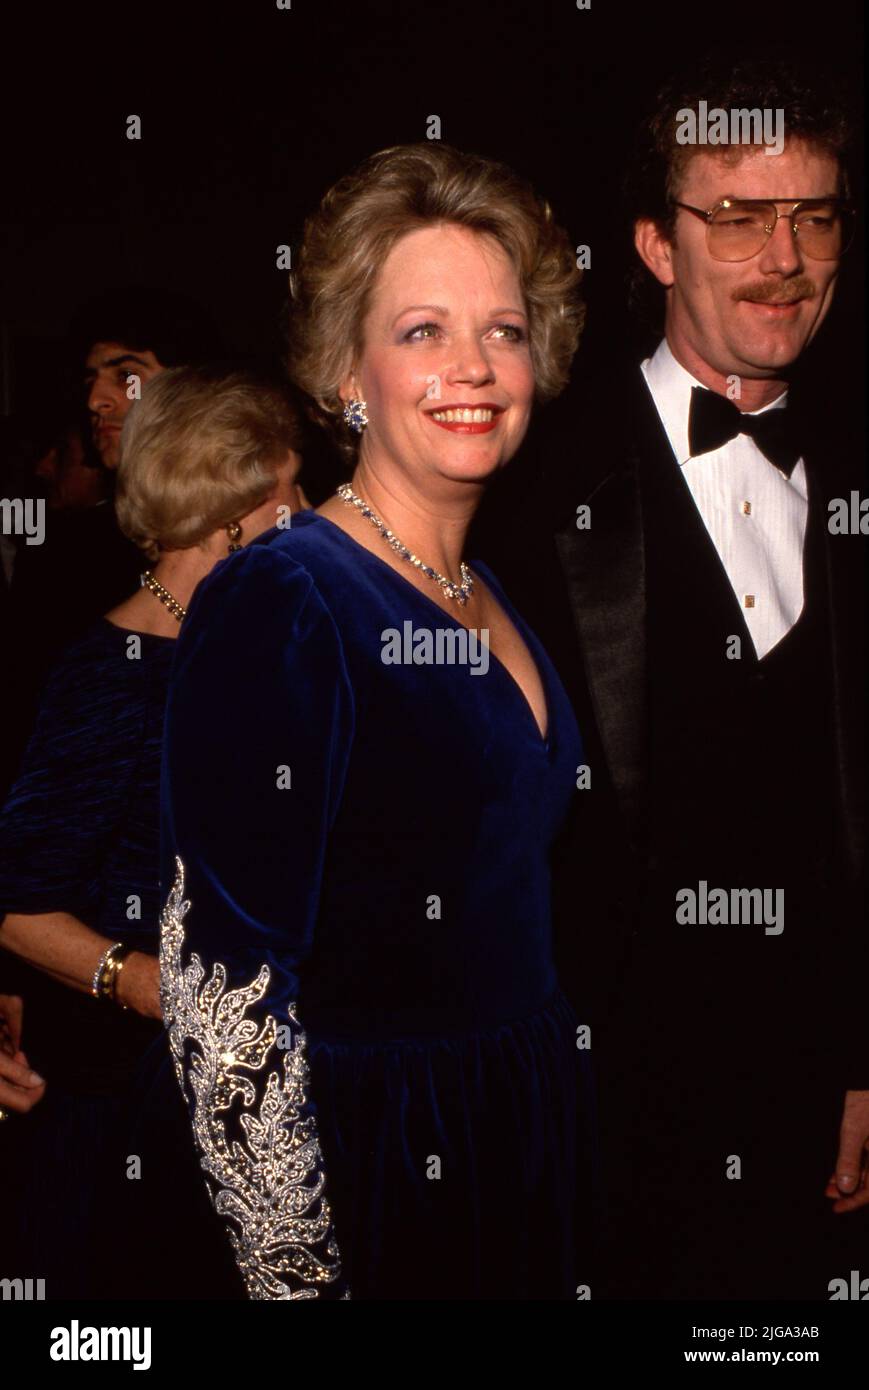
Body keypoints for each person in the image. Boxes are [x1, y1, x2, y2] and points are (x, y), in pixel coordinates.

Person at [157, 141, 595, 1301]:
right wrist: (296, 1278)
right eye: (421, 332)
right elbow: (220, 997)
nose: (473, 367)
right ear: (347, 369)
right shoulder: (287, 597)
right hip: (383, 1158)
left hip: (521, 1121)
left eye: (502, 330)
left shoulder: (492, 588)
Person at [473, 59, 868, 1299]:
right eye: (736, 218)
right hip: (594, 1107)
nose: (783, 257)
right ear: (653, 243)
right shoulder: (524, 488)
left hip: (814, 1099)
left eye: (811, 216)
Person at [0, 365, 308, 1298]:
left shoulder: (258, 647)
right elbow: (15, 905)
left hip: (261, 1092)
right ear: (229, 518)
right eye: (291, 498)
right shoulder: (114, 676)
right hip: (130, 1103)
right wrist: (150, 989)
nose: (314, 516)